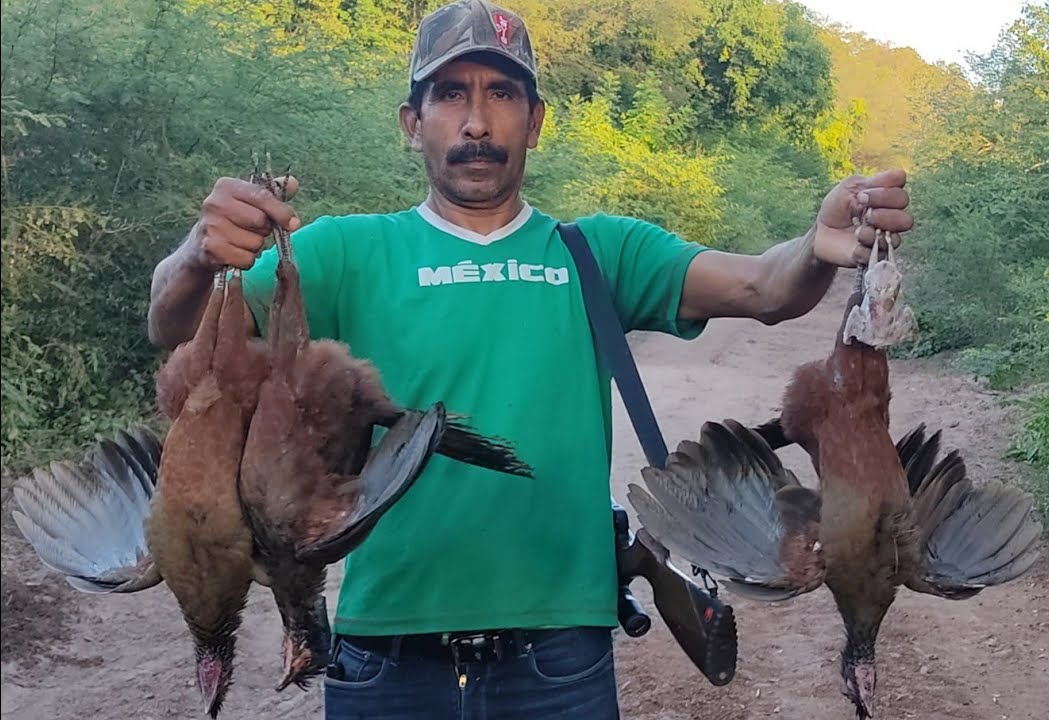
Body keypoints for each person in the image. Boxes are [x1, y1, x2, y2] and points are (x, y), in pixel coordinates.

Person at [146, 0, 914, 717]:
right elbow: (176, 331)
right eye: (450, 94)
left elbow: (762, 287)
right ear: (412, 123)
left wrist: (817, 244)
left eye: (503, 94)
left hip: (559, 661)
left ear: (536, 121)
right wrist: (198, 256)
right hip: (383, 656)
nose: (477, 121)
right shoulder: (344, 252)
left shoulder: (599, 251)